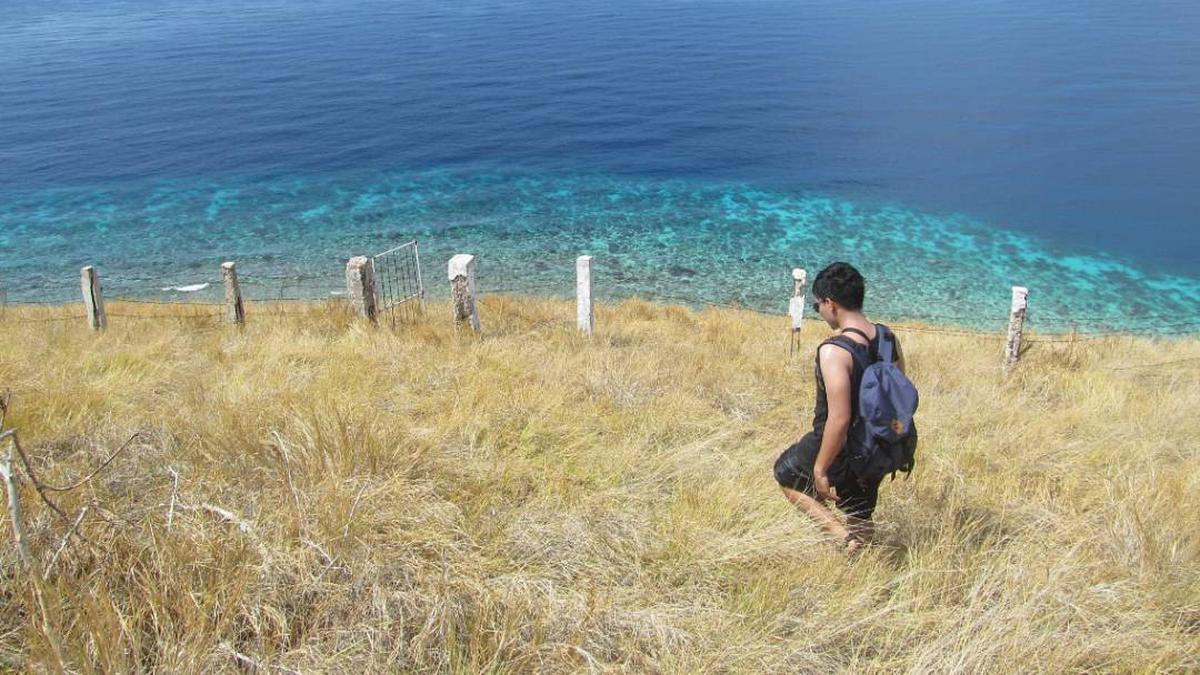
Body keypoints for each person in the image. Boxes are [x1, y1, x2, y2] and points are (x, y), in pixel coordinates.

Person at [773, 262, 908, 554]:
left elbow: (840, 417)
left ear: (830, 303)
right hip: (878, 444)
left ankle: (843, 539)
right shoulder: (887, 338)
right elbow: (900, 391)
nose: (819, 311)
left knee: (787, 476)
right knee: (860, 510)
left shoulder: (835, 350)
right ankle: (861, 559)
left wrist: (821, 468)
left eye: (817, 304)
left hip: (840, 445)